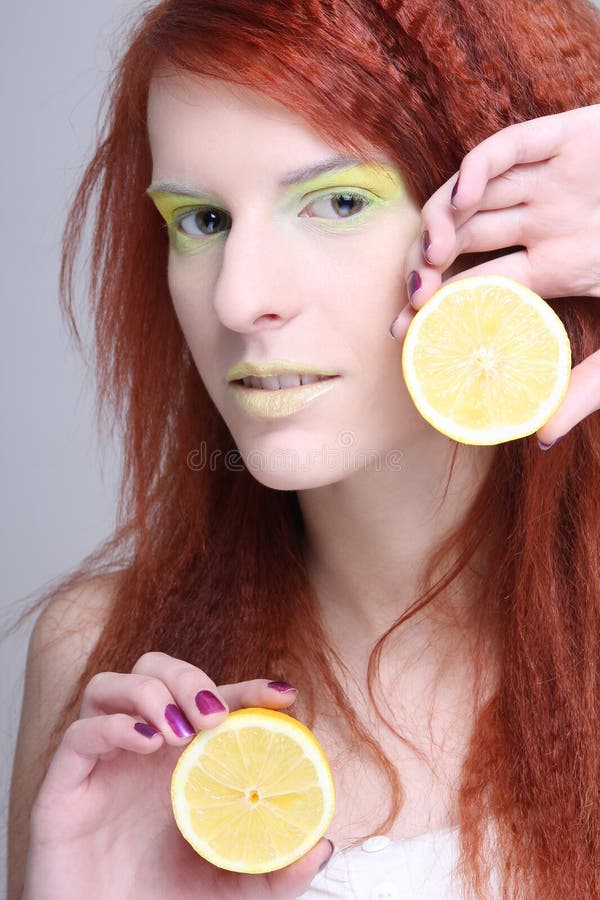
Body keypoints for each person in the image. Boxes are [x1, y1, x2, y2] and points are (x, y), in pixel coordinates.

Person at [7, 0, 600, 898]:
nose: (238, 301)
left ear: (523, 227)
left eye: (338, 201)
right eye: (201, 221)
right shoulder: (106, 662)